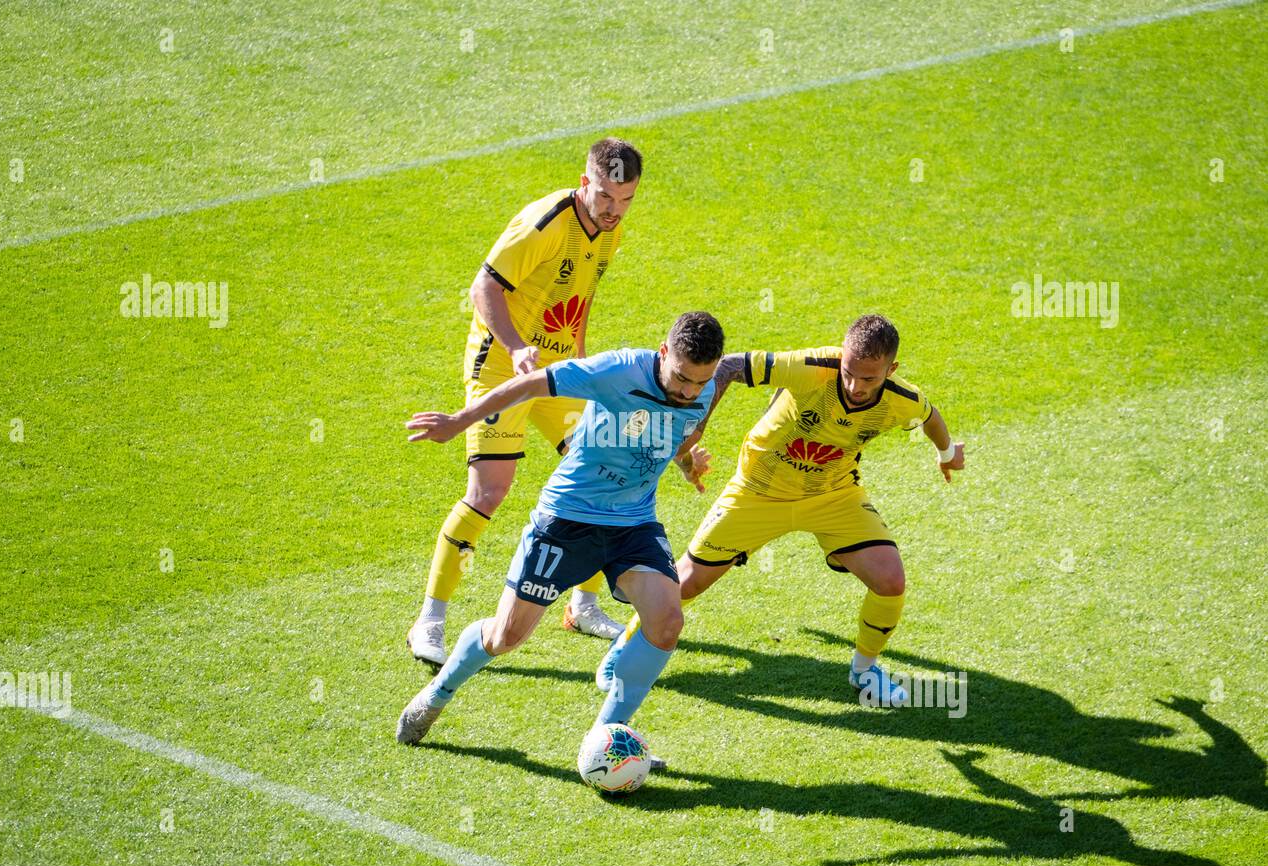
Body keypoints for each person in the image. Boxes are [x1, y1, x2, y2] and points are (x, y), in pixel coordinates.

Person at [396, 312, 724, 752]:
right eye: (682, 378)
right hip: (567, 518)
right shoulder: (616, 371)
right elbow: (530, 385)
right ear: (664, 353)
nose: (689, 392)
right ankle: (436, 695)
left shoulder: (701, 392)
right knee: (506, 636)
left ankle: (606, 739)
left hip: (633, 523)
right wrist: (459, 421)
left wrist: (686, 463)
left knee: (667, 623)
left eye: (700, 382)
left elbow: (673, 433)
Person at [598, 314, 965, 706]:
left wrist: (946, 453)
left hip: (833, 496)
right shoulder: (811, 368)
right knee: (685, 584)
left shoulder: (902, 398)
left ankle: (865, 671)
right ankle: (625, 646)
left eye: (869, 379)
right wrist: (698, 426)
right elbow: (730, 366)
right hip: (758, 492)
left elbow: (929, 416)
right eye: (848, 372)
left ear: (891, 370)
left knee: (890, 581)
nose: (855, 386)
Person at [408, 138, 644, 666]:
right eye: (606, 196)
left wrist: (584, 366)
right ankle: (430, 619)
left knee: (603, 471)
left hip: (557, 369)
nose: (614, 209)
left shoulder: (610, 230)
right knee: (490, 491)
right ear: (585, 183)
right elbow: (483, 288)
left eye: (626, 199)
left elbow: (581, 298)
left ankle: (583, 606)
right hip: (502, 362)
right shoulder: (545, 223)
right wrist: (516, 348)